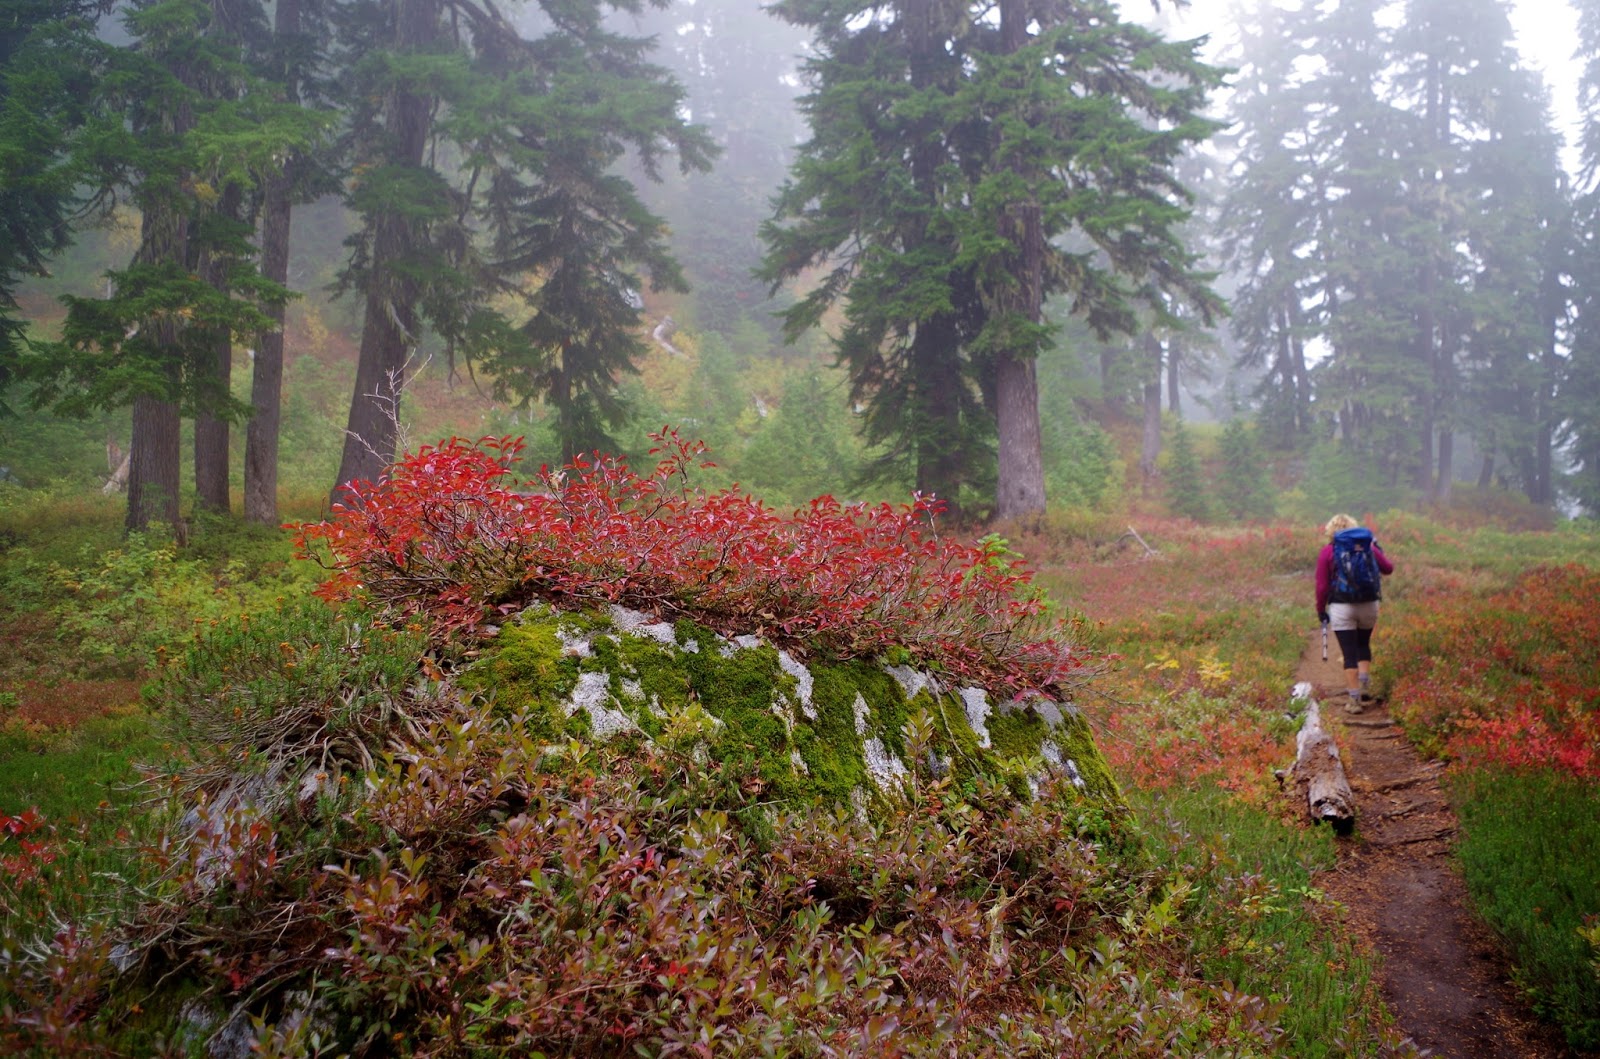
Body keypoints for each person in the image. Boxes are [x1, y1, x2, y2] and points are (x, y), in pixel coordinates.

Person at [1315, 513, 1395, 713]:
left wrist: (1321, 609)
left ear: (1330, 530)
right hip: (1369, 603)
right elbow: (1388, 568)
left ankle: (1354, 700)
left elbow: (1322, 586)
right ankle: (1365, 686)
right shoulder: (1367, 547)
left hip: (1342, 606)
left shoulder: (1328, 551)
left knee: (1349, 653)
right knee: (1363, 643)